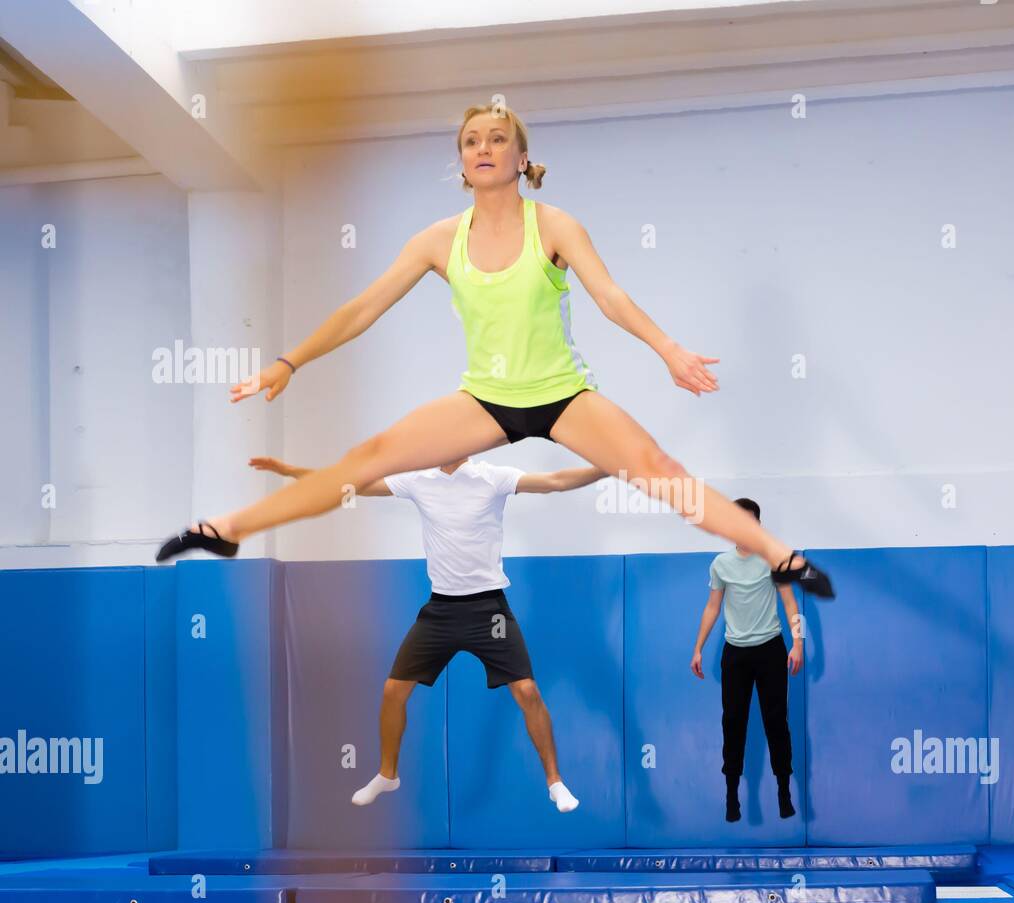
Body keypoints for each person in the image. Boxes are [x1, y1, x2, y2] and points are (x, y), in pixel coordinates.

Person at [155, 101, 834, 604]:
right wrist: (288, 361)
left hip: (564, 395)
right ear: (461, 162)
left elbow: (611, 296)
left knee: (657, 468)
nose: (483, 147)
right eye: (471, 141)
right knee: (363, 459)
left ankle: (779, 555)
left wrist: (668, 349)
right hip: (484, 400)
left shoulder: (555, 224)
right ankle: (229, 527)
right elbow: (362, 308)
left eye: (497, 138)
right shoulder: (437, 240)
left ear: (520, 158)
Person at [249, 453, 605, 812]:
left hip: (488, 610)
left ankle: (555, 782)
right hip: (441, 611)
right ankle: (387, 774)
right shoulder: (418, 481)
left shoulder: (492, 477)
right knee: (393, 691)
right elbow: (354, 483)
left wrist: (606, 466)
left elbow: (555, 480)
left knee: (527, 690)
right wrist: (292, 469)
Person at [690, 498, 803, 823]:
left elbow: (790, 603)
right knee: (733, 723)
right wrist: (698, 647)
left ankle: (783, 790)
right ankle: (732, 794)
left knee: (776, 722)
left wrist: (797, 643)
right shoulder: (721, 564)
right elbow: (712, 607)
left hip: (770, 649)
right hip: (735, 654)